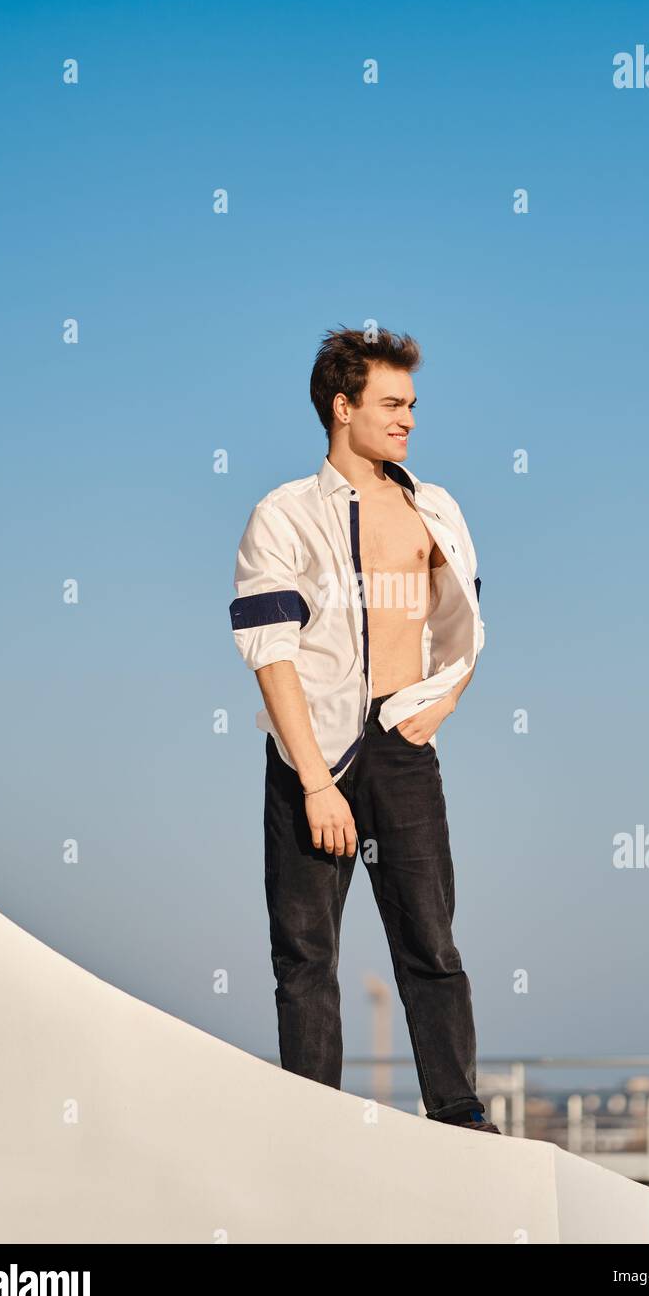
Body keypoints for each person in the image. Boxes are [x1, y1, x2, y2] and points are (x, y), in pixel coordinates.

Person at [230, 327, 500, 1133]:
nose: (408, 418)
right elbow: (268, 652)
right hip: (311, 749)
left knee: (431, 943)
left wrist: (443, 702)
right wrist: (315, 781)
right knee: (306, 951)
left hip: (402, 745)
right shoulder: (283, 514)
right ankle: (313, 1118)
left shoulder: (436, 508)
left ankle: (457, 1111)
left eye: (412, 404)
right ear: (342, 408)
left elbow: (467, 620)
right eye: (391, 403)